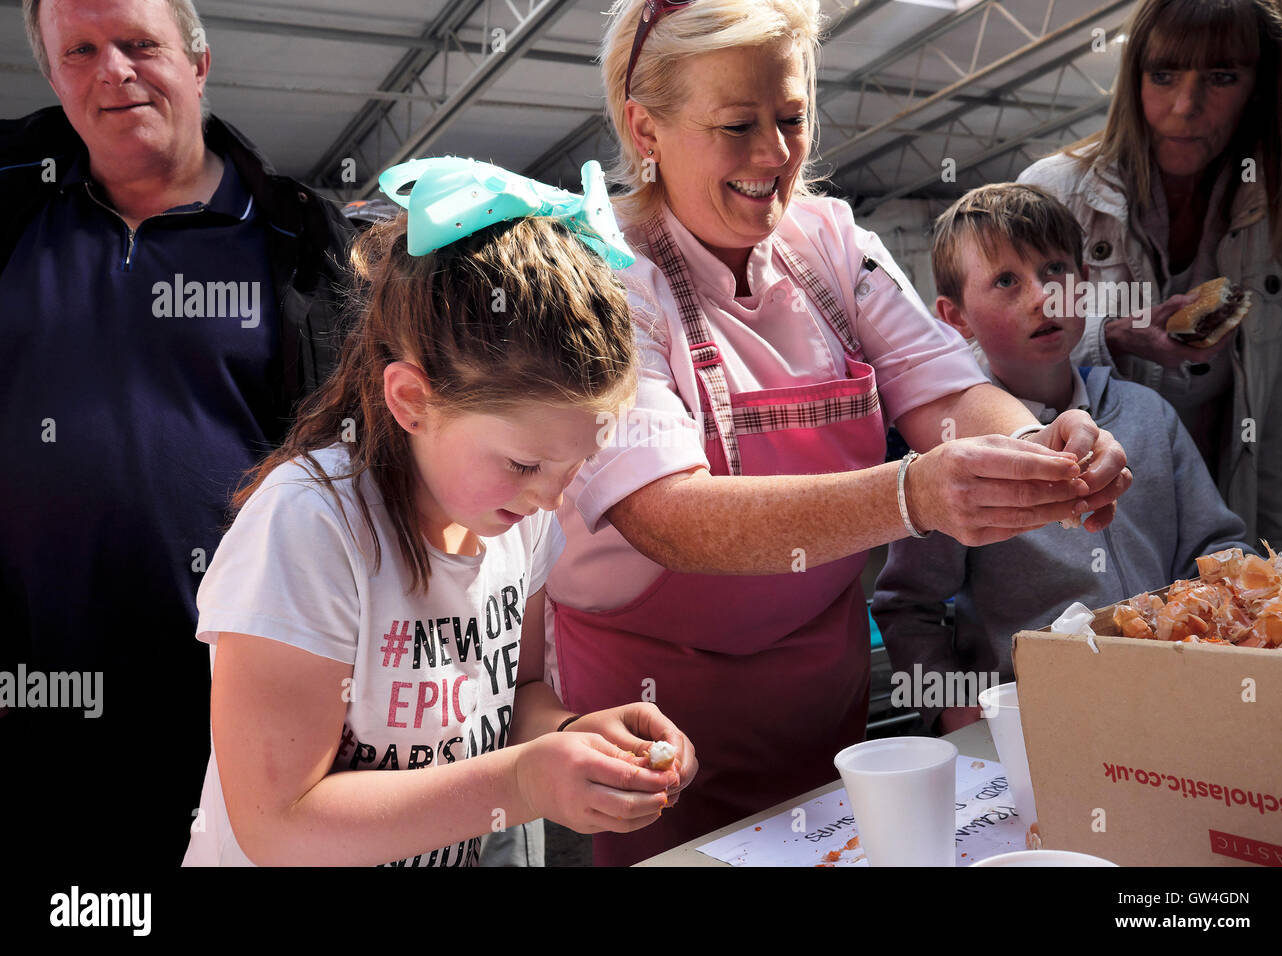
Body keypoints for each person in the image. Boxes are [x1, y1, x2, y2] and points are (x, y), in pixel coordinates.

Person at [543, 0, 1134, 866]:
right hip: (653, 722)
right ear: (646, 128)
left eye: (791, 118)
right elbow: (664, 514)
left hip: (823, 700)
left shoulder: (830, 242)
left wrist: (1044, 443)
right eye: (736, 125)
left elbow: (948, 390)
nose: (775, 156)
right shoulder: (600, 271)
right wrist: (910, 494)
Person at [181, 157, 698, 867]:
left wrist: (576, 738)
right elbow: (278, 823)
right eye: (522, 464)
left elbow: (518, 695)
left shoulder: (520, 516)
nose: (553, 497)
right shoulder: (308, 527)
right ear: (412, 401)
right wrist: (522, 782)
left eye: (575, 464)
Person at [0, 0, 356, 866]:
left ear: (198, 63)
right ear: (53, 77)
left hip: (229, 697)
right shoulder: (15, 208)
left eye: (138, 44)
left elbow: (349, 464)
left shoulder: (298, 243)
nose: (111, 70)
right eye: (80, 51)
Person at [872, 183, 1255, 734]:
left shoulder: (1148, 413)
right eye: (1006, 280)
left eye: (1055, 270)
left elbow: (1215, 548)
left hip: (1172, 706)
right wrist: (956, 710)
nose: (1042, 297)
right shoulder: (951, 453)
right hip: (1038, 725)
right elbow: (908, 605)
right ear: (954, 316)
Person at [1018, 0, 1282, 554]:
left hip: (1222, 533)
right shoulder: (1054, 193)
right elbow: (976, 366)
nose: (1185, 105)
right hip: (1081, 539)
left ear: (1261, 86)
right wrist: (1109, 336)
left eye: (1221, 77)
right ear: (1134, 75)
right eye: (1163, 74)